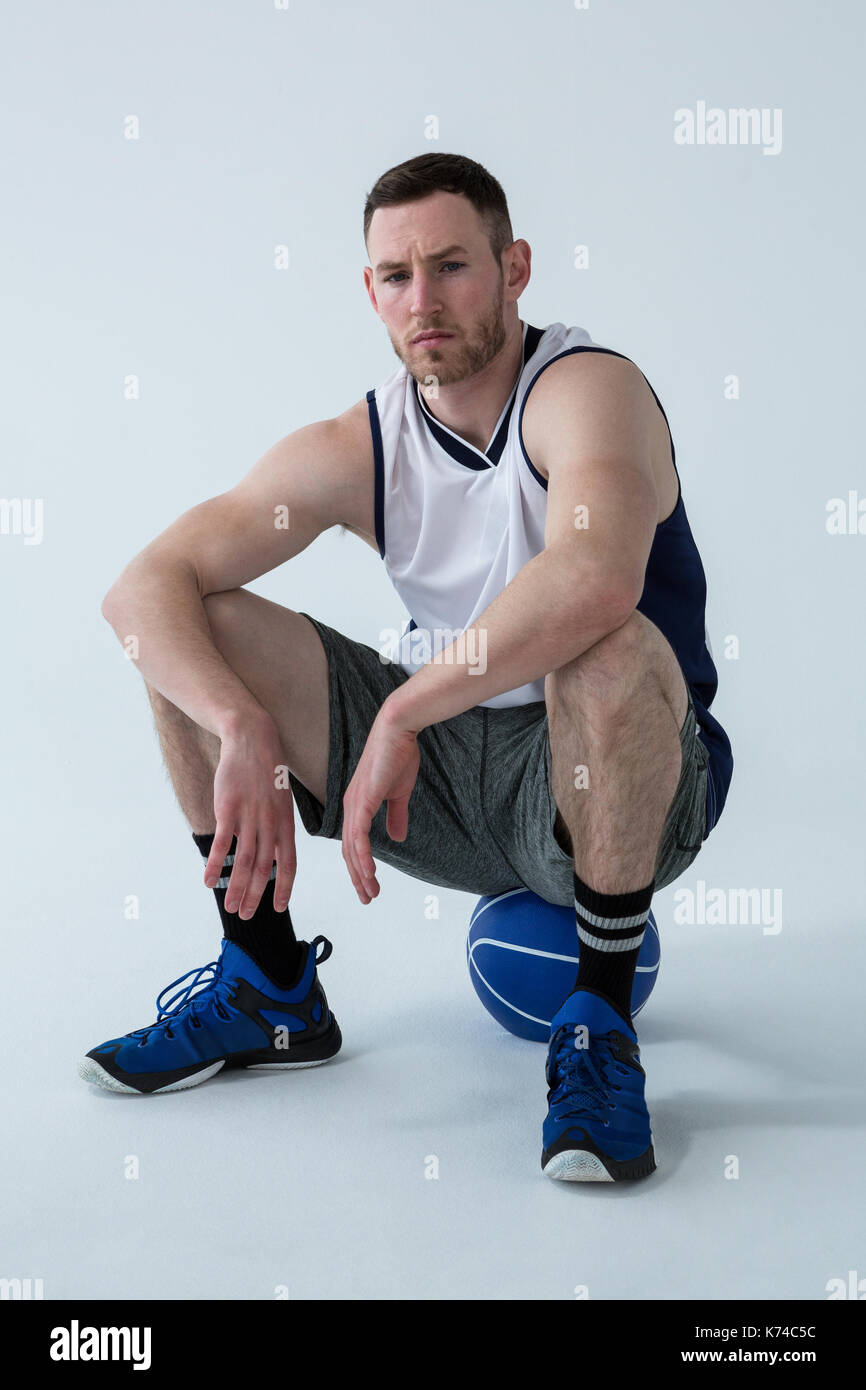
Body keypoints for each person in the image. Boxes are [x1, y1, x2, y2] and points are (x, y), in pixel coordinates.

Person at [81, 152, 733, 1183]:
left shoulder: (584, 390)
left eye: (450, 266)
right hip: (439, 772)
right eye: (395, 276)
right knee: (196, 621)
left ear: (514, 267)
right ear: (370, 292)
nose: (420, 300)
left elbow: (597, 578)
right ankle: (267, 982)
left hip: (616, 776)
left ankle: (598, 1029)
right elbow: (141, 588)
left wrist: (402, 711)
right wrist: (238, 720)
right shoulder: (365, 443)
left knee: (601, 649)